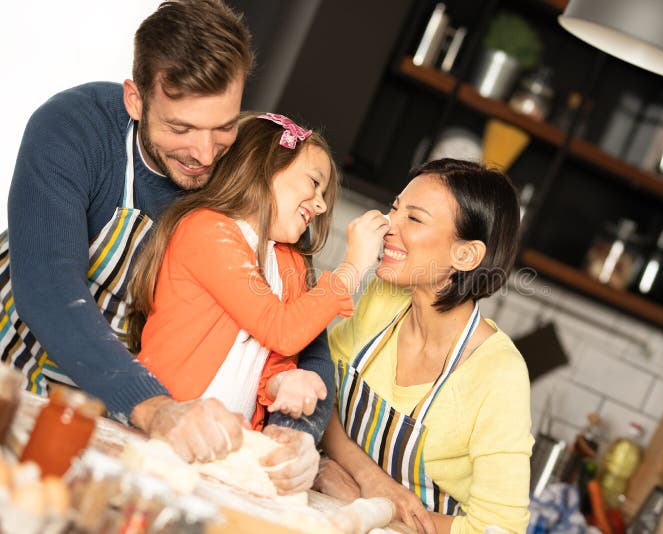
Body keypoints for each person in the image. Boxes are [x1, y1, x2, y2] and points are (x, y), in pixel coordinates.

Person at [0, 0, 328, 491]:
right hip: (16, 379)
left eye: (222, 126)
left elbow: (306, 337)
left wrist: (295, 433)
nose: (203, 154)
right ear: (136, 99)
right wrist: (154, 407)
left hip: (124, 423)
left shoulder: (248, 169)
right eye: (180, 128)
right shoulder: (76, 128)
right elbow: (49, 289)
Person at [127, 112, 388, 435]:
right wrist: (352, 268)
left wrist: (284, 382)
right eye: (314, 183)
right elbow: (280, 329)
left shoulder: (289, 261)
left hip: (226, 442)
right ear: (263, 164)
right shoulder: (208, 231)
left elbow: (270, 357)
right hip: (161, 428)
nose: (320, 206)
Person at [316, 159, 534, 534]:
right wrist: (370, 478)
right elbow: (320, 389)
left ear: (465, 255)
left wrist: (368, 505)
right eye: (394, 208)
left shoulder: (498, 373)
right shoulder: (383, 298)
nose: (387, 225)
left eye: (413, 219)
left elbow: (498, 529)